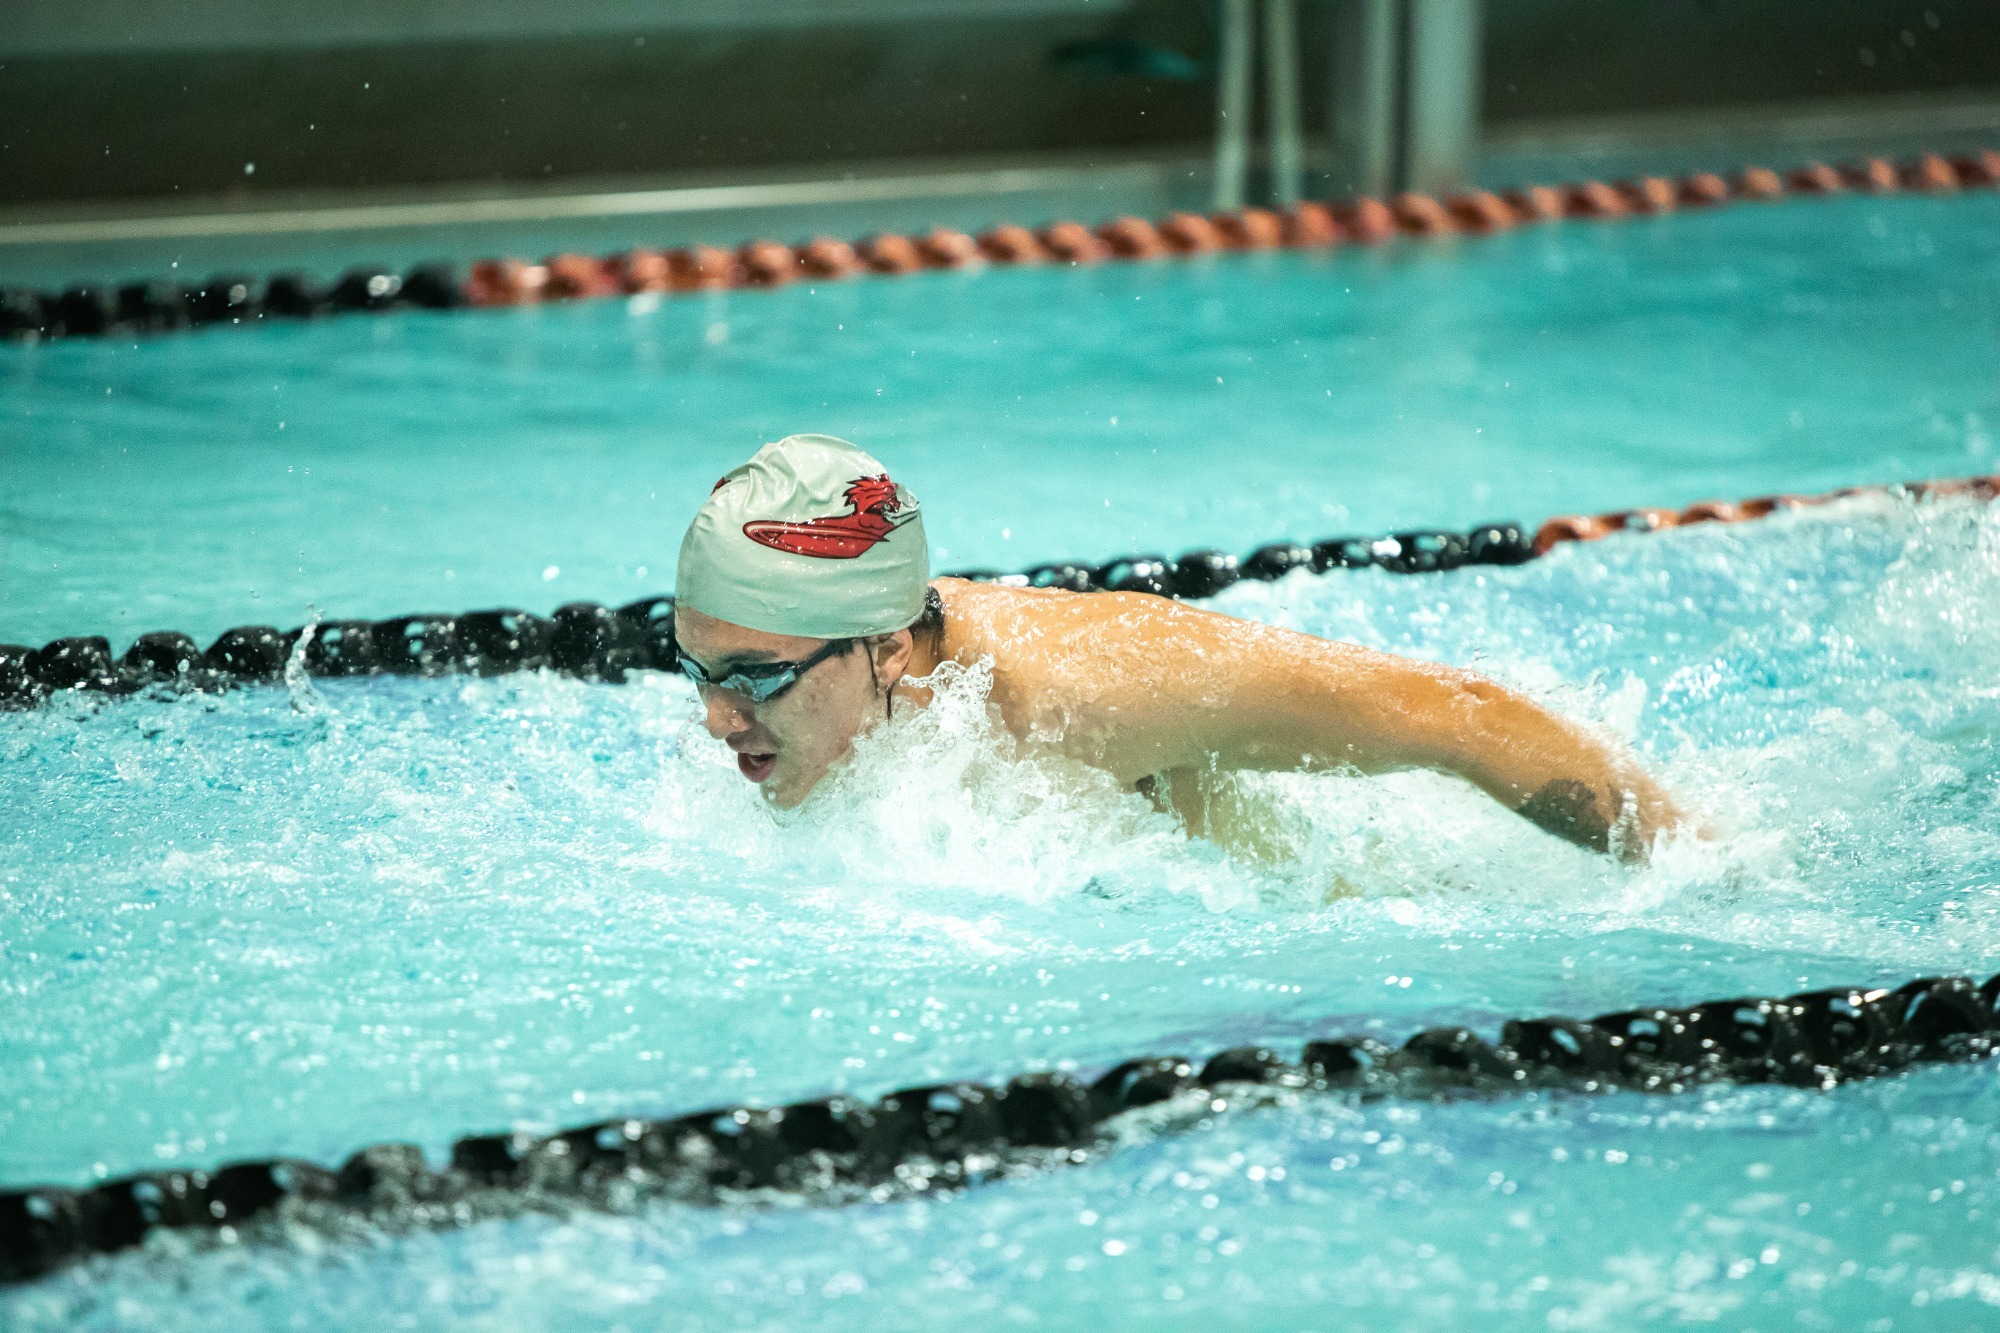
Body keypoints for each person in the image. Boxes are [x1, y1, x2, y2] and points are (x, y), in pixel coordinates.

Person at [673, 435, 1690, 860]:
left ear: (886, 647)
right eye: (700, 672)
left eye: (754, 678)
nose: (717, 721)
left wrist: (1702, 870)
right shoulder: (809, 724)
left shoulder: (1086, 682)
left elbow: (1461, 717)